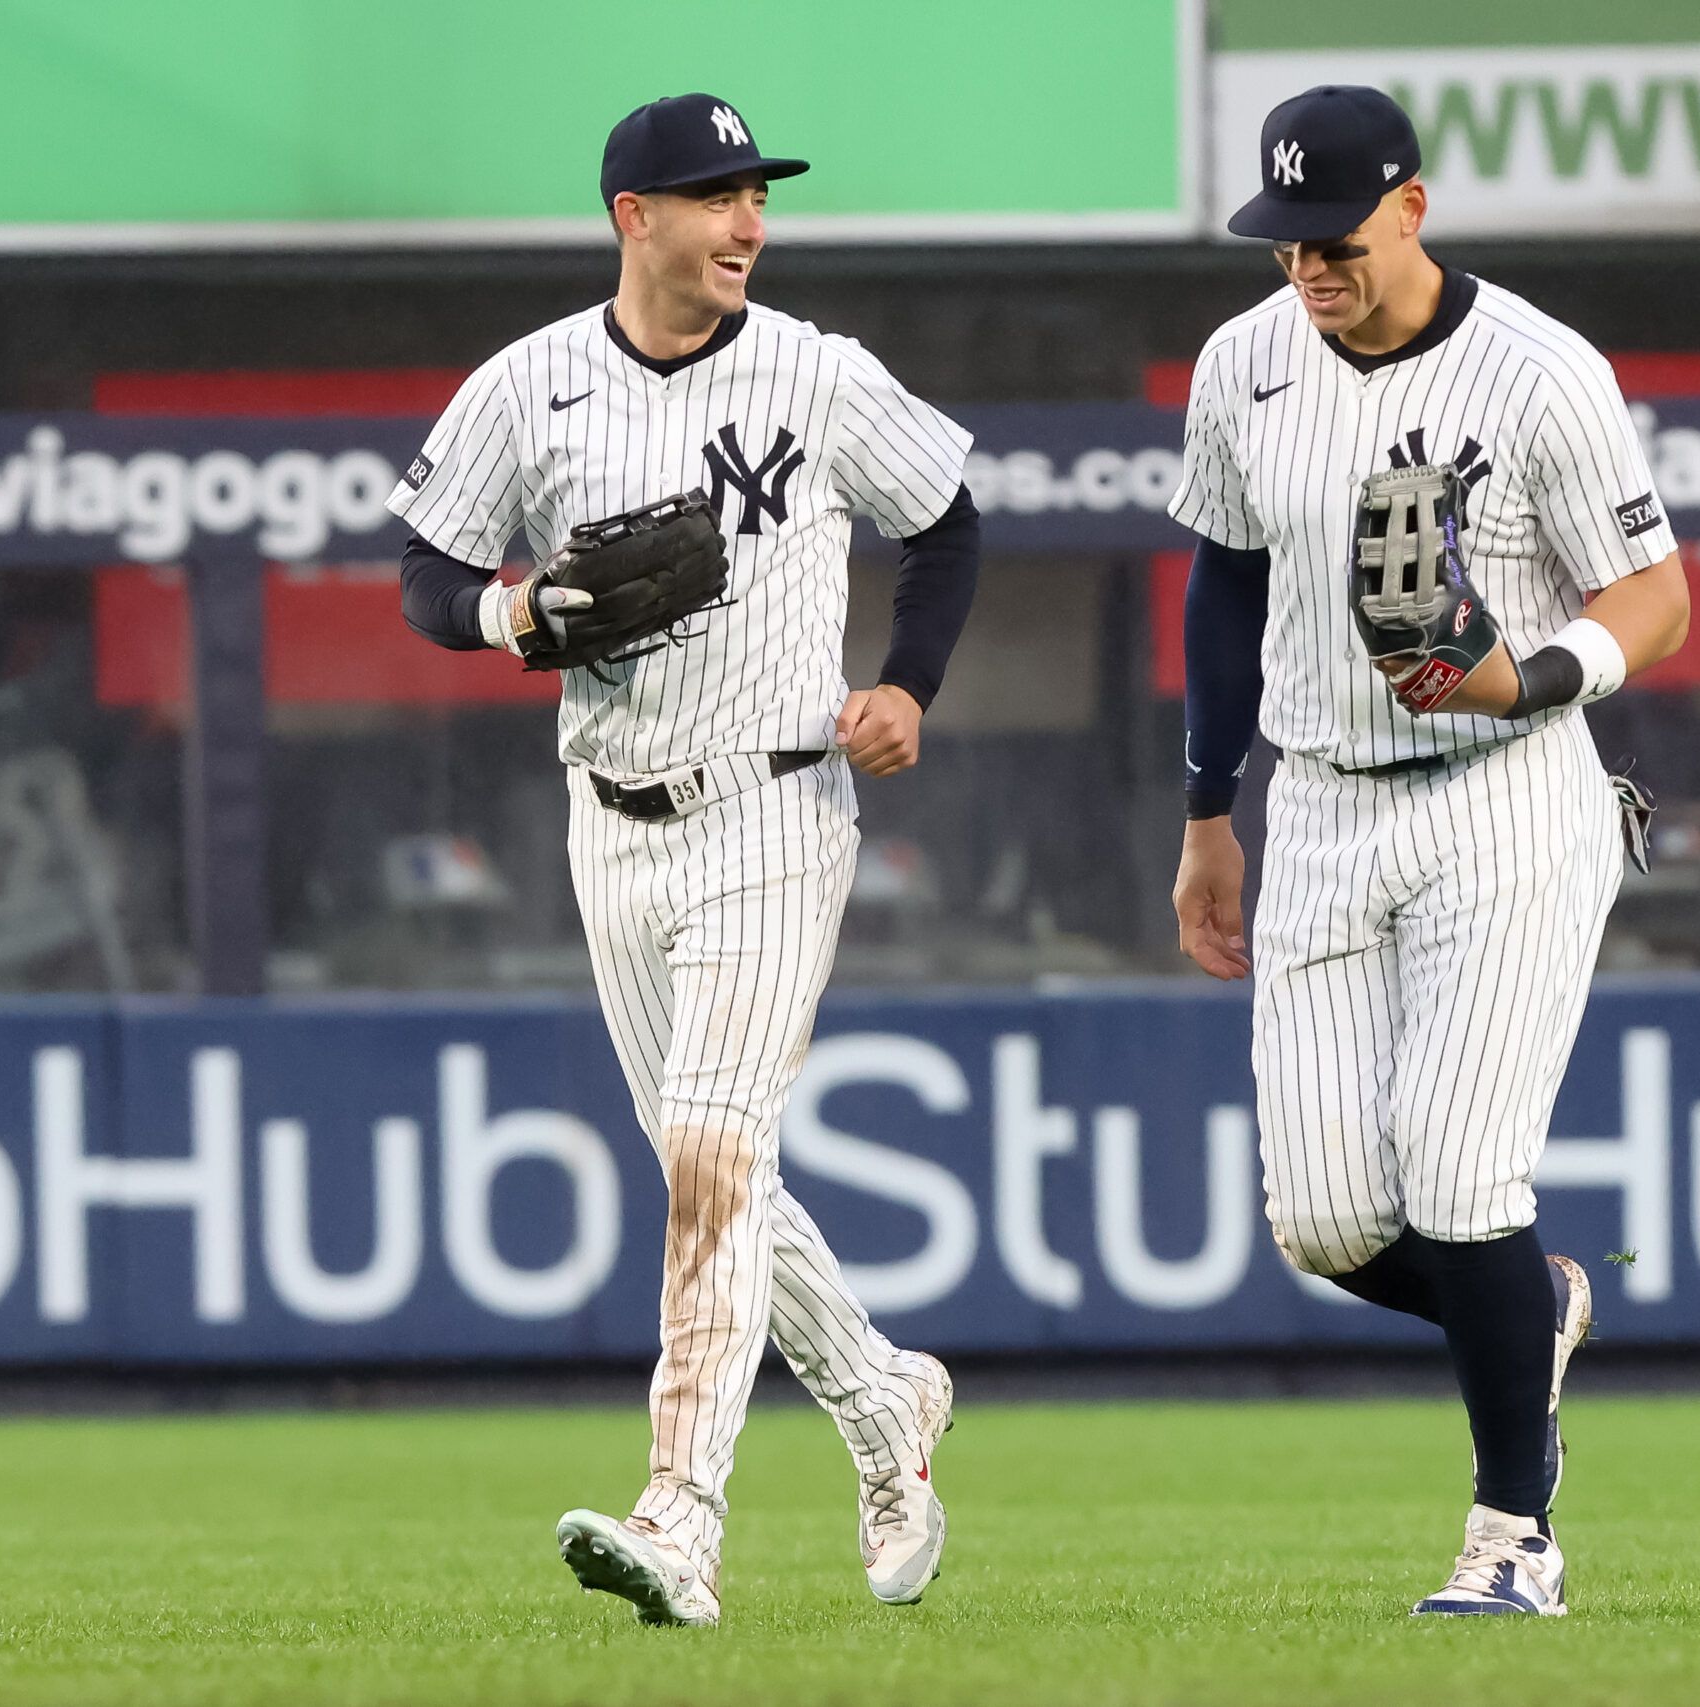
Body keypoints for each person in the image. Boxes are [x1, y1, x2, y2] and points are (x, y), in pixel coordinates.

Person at [390, 92, 980, 1628]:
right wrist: (511, 617)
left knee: (716, 1147)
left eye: (757, 196)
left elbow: (950, 522)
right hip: (616, 822)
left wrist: (907, 685)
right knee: (712, 1172)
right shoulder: (529, 388)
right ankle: (882, 1398)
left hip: (779, 808)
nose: (749, 223)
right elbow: (427, 577)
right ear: (630, 216)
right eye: (716, 196)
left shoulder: (820, 373)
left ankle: (684, 1518)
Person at [1166, 85, 1690, 1617]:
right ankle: (1535, 1306)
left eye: (1333, 239)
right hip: (1321, 796)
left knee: (1464, 1173)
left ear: (1410, 203)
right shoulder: (1244, 362)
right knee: (1325, 1220)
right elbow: (1221, 588)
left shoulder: (1539, 371)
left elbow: (1654, 597)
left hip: (1509, 787)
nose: (1308, 271)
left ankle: (1514, 1538)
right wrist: (1209, 809)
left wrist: (1530, 676)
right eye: (1283, 245)